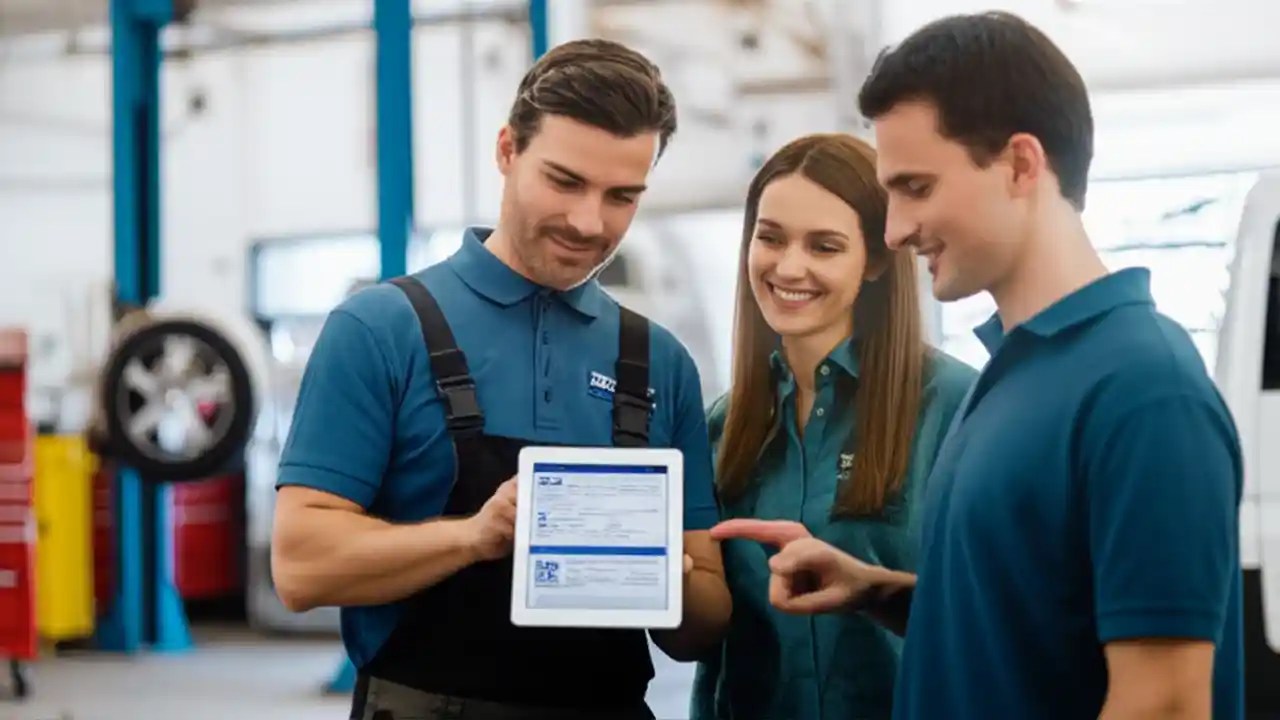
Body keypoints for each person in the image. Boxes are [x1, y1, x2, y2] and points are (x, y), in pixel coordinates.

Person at [713, 12, 1245, 720]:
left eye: (917, 188)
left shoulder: (1144, 388)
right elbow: (1021, 623)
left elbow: (1166, 702)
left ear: (1022, 164)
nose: (897, 230)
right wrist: (873, 588)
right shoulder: (1009, 379)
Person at [270, 38, 732, 720]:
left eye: (621, 197)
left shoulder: (658, 362)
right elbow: (302, 567)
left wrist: (666, 574)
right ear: (508, 151)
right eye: (565, 181)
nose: (588, 222)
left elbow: (701, 629)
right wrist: (475, 537)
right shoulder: (380, 330)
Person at [688, 133, 976, 720]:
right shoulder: (722, 428)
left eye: (824, 246)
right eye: (770, 238)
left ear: (874, 258)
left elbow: (1001, 616)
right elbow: (711, 651)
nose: (788, 266)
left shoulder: (955, 406)